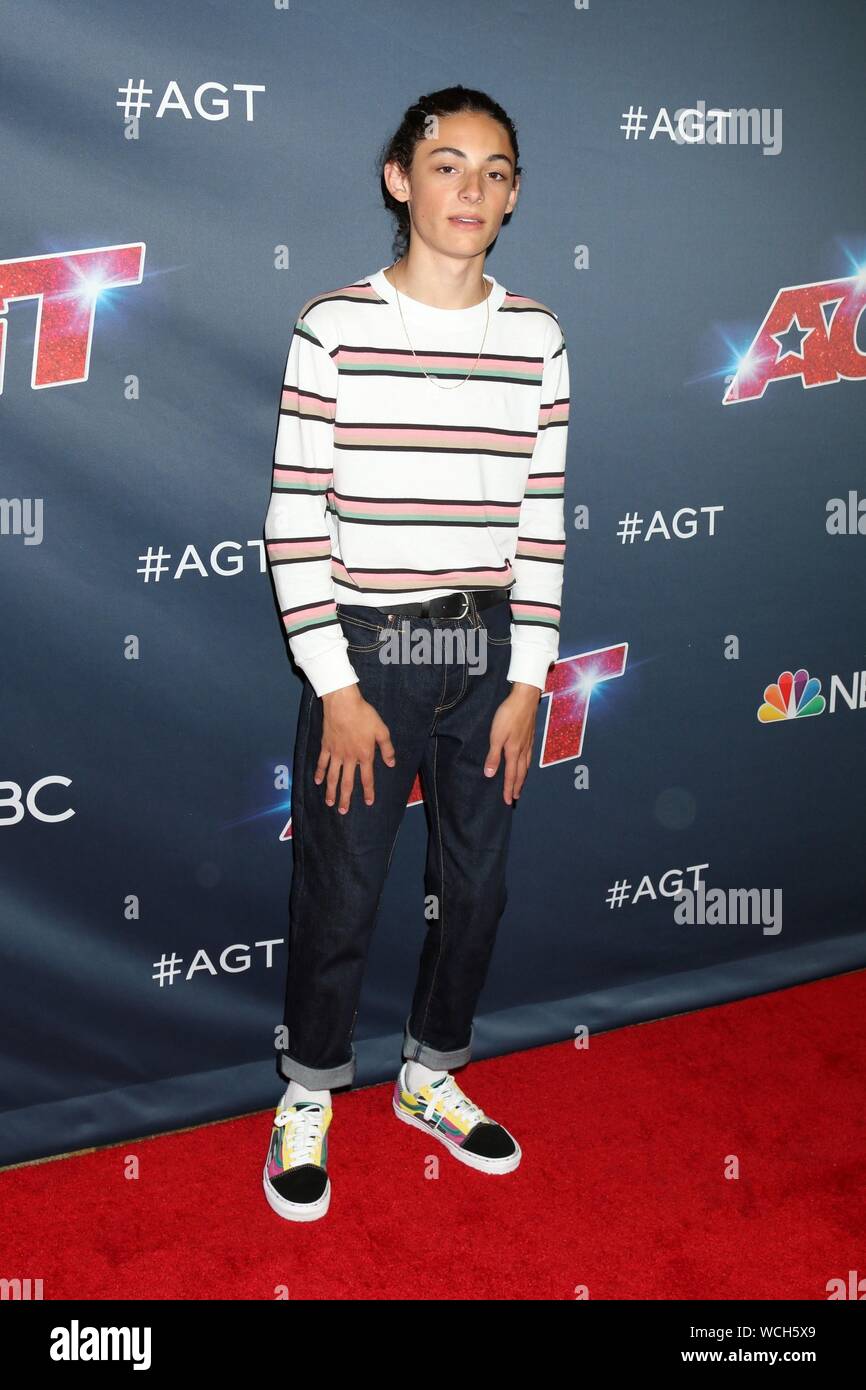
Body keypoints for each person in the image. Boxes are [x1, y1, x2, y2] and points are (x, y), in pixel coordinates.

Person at [261, 85, 570, 1221]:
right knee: (341, 889)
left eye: (493, 171)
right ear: (400, 178)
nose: (470, 190)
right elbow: (294, 518)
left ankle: (431, 1072)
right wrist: (334, 686)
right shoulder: (332, 325)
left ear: (514, 195)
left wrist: (530, 672)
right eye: (446, 165)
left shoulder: (535, 336)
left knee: (475, 887)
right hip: (368, 652)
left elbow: (541, 514)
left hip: (484, 645)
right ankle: (308, 1091)